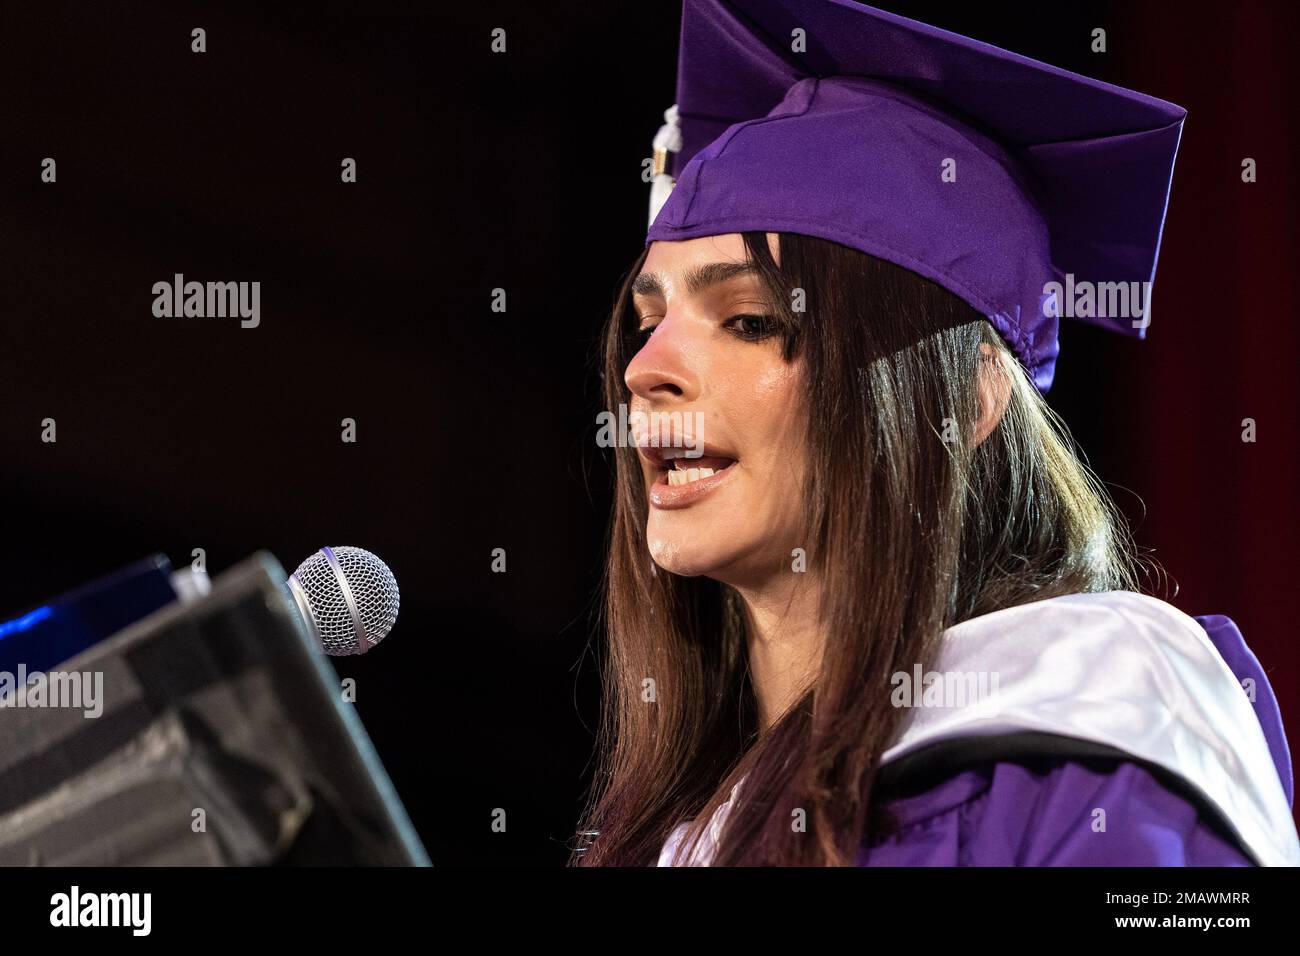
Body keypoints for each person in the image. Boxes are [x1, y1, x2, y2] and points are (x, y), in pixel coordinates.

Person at [571, 0, 1300, 866]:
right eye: (648, 321)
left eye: (752, 321)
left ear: (969, 402)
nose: (644, 370)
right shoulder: (671, 831)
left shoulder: (1096, 735)